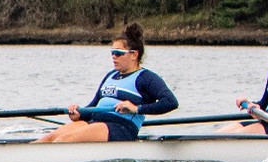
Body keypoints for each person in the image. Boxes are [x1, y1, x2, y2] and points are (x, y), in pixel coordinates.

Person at [34, 22, 178, 143]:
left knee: (63, 140)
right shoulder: (111, 75)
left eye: (119, 53)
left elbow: (171, 102)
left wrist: (136, 108)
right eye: (112, 52)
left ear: (134, 54)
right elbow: (93, 106)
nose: (114, 57)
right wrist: (79, 113)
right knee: (48, 139)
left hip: (120, 128)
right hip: (95, 123)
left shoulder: (146, 78)